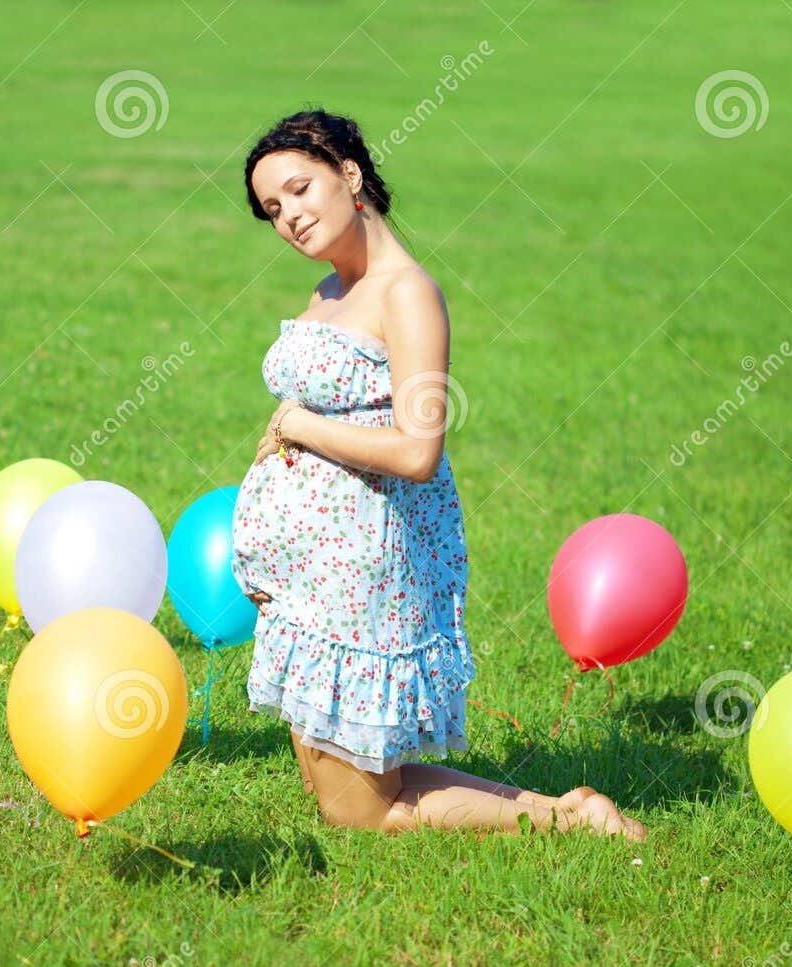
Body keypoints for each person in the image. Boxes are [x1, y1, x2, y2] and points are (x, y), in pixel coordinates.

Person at [231, 108, 645, 841]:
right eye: (272, 208)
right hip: (312, 573)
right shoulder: (331, 290)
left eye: (299, 190)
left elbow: (418, 448)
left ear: (350, 175)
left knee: (357, 810)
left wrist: (293, 427)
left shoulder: (406, 294)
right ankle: (562, 812)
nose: (289, 216)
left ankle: (569, 820)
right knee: (352, 792)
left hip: (363, 567)